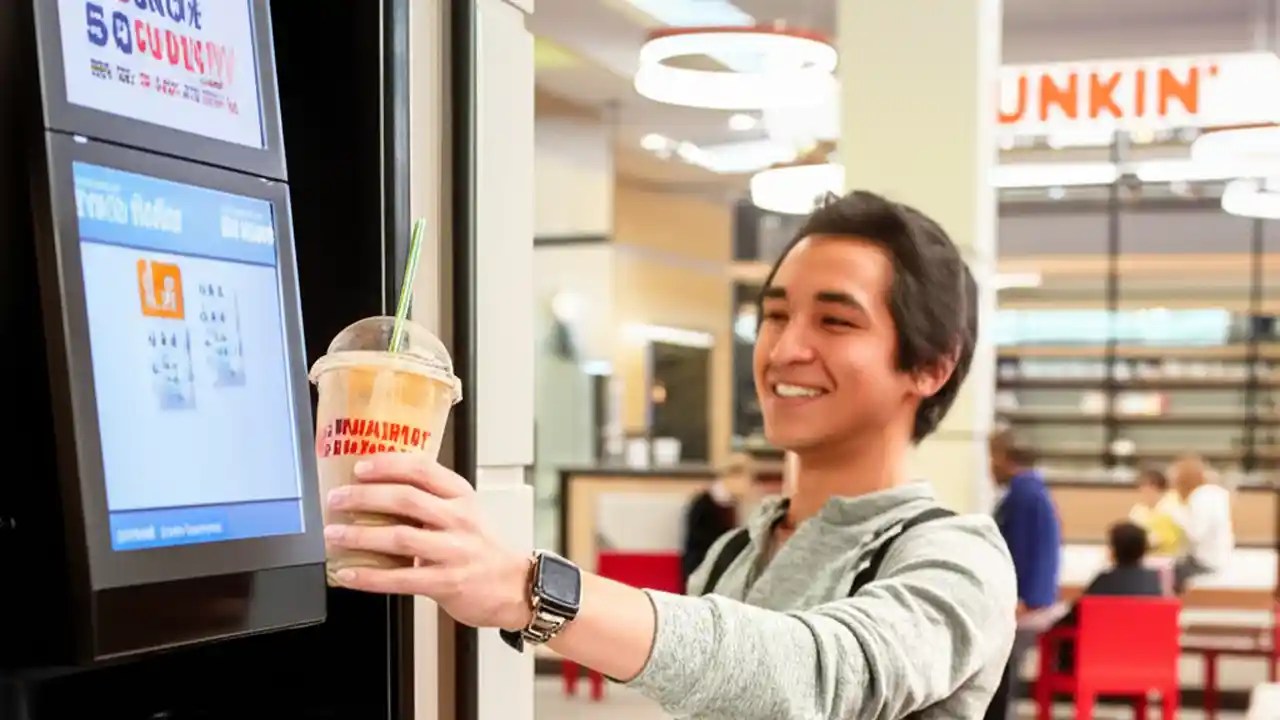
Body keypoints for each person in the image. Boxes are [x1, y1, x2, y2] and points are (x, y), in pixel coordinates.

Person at [322, 190, 1018, 719]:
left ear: (931, 366)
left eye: (835, 321)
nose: (785, 348)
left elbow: (817, 678)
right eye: (775, 315)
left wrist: (529, 588)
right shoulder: (737, 552)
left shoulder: (958, 558)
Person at [986, 427, 1061, 720]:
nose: (990, 466)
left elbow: (1017, 551)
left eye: (993, 457)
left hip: (1020, 604)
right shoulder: (1036, 492)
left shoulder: (1022, 496)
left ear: (1006, 457)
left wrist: (1019, 598)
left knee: (1000, 678)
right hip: (1032, 600)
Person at [1051, 521, 1165, 672]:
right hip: (1144, 662)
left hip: (1097, 663)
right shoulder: (1154, 582)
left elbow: (1076, 615)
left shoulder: (1104, 581)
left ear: (1113, 550)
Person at [680, 455, 751, 588]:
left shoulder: (730, 504)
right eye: (745, 478)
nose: (748, 485)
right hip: (702, 577)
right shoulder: (704, 504)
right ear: (732, 476)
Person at [1167, 455, 1234, 593]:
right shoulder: (1216, 493)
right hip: (1221, 558)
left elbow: (1196, 534)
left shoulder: (1199, 496)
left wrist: (1176, 513)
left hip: (1207, 562)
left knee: (1169, 574)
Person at [1127, 467, 1184, 557]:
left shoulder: (1172, 507)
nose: (1143, 490)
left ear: (1157, 487)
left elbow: (1170, 537)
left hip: (1169, 557)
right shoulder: (1138, 510)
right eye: (1141, 486)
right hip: (1144, 557)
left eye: (1146, 486)